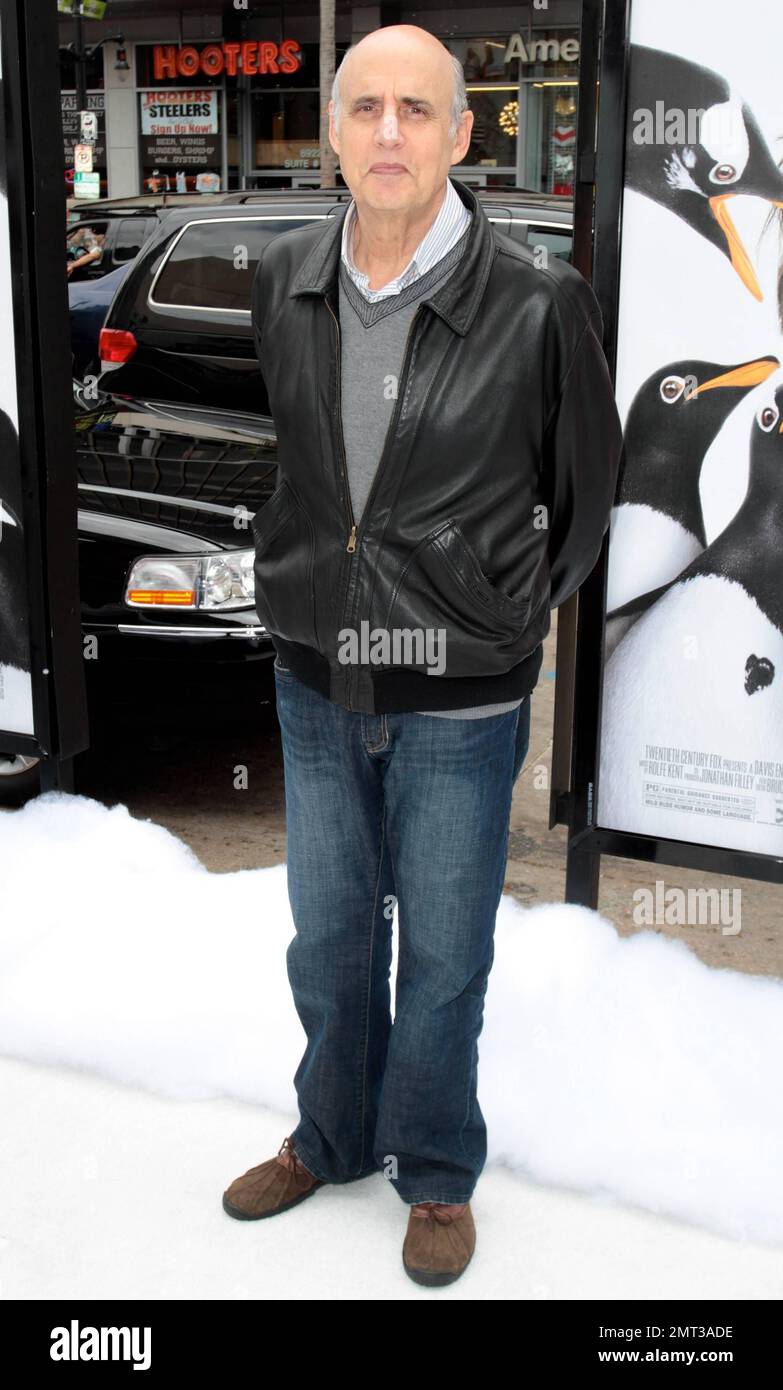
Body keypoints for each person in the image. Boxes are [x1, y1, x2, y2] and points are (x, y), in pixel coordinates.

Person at [223, 23, 623, 1287]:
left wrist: (500, 621)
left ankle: (436, 1170)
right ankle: (330, 1134)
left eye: (417, 110)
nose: (388, 132)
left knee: (447, 951)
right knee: (328, 935)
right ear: (332, 132)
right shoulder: (283, 279)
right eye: (364, 108)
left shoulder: (539, 299)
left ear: (463, 133)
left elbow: (589, 494)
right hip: (313, 676)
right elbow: (305, 475)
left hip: (462, 699)